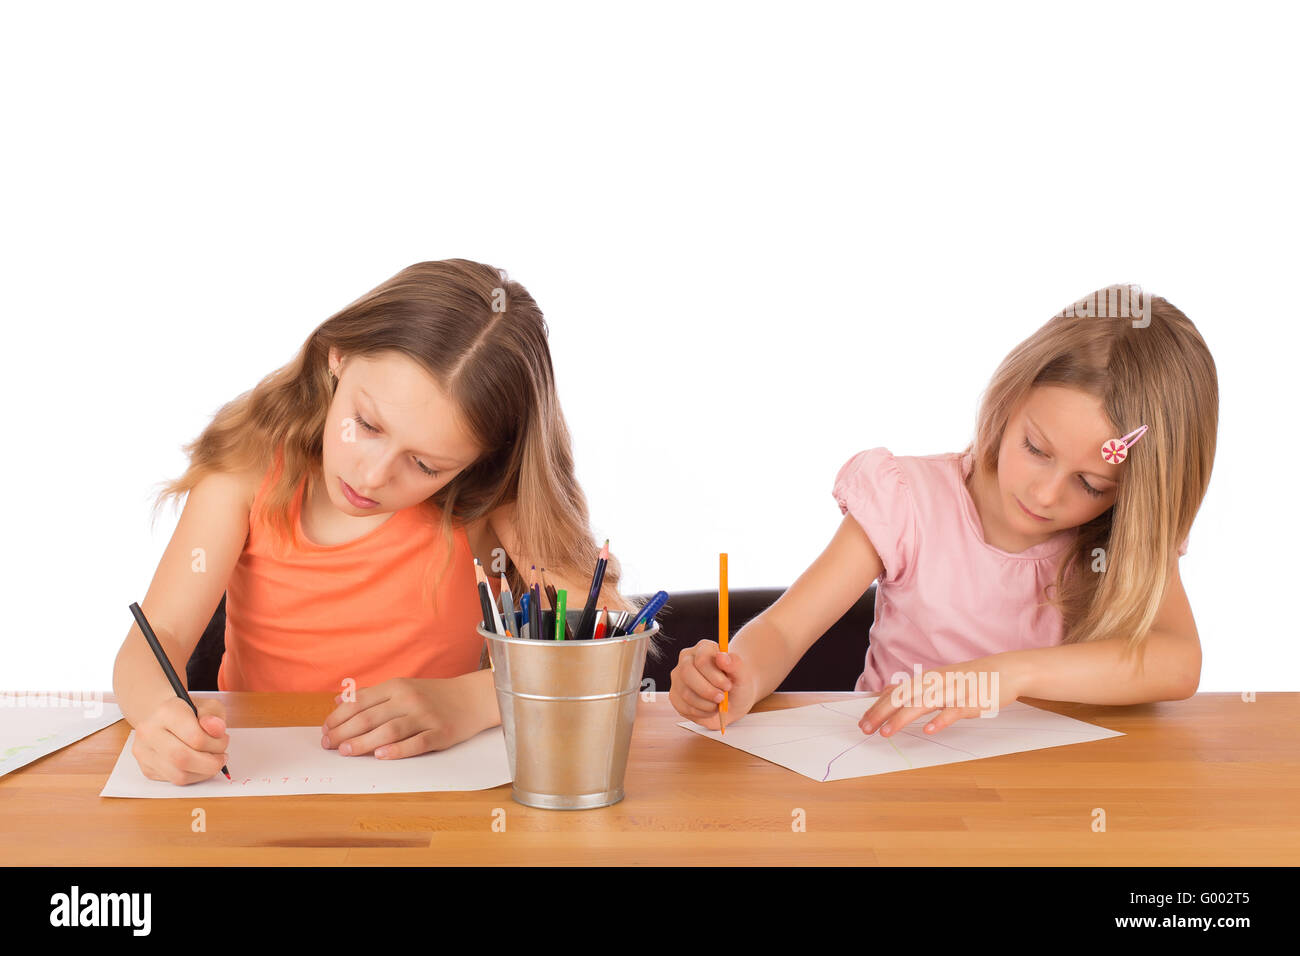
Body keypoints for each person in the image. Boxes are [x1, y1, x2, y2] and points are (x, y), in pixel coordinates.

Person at [114, 259, 635, 785]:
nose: (372, 476)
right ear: (336, 355)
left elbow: (609, 640)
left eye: (425, 465)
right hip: (263, 780)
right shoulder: (250, 470)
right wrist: (158, 714)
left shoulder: (491, 494)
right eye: (365, 425)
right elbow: (160, 633)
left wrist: (475, 700)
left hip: (432, 791)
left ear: (483, 461)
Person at [671, 285, 1214, 738]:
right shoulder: (905, 499)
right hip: (898, 784)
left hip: (1050, 797)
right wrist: (736, 677)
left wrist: (1006, 675)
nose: (1046, 495)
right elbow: (784, 634)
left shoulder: (1120, 534)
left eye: (1091, 484)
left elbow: (1177, 662)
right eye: (1035, 449)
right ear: (1010, 399)